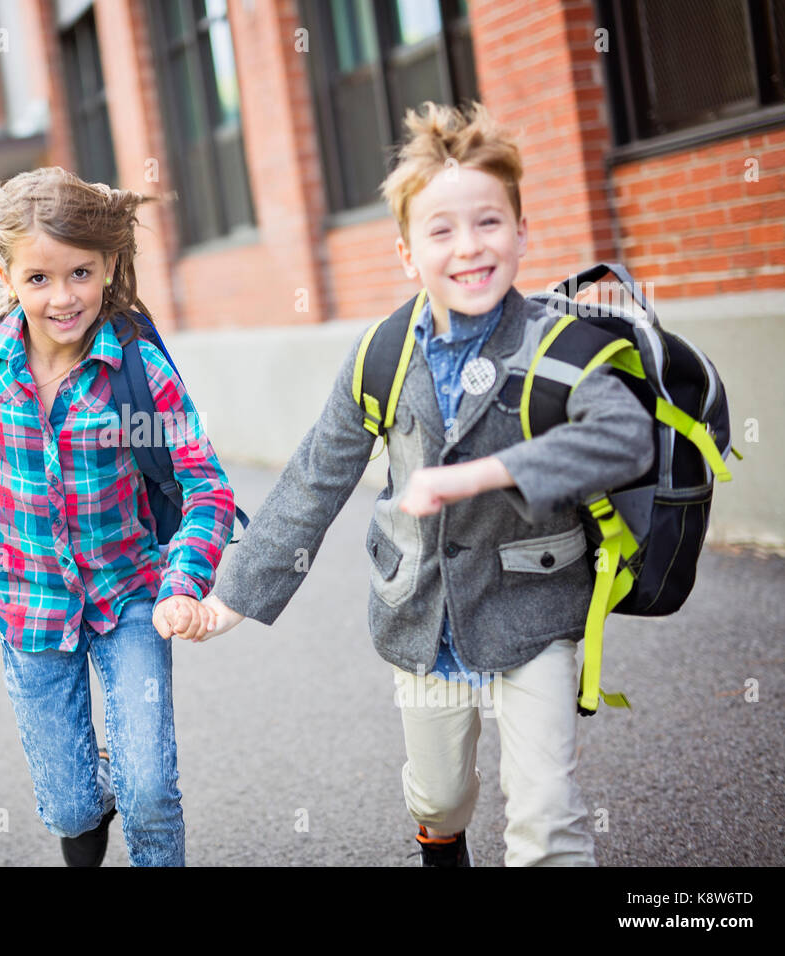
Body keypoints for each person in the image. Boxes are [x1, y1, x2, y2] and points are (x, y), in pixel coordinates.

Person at [201, 102, 654, 866]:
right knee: (441, 796)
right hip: (420, 613)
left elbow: (624, 437)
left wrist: (484, 473)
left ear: (520, 232)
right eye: (441, 231)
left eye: (489, 223)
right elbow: (318, 476)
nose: (469, 247)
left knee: (546, 816)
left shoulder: (559, 344)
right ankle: (440, 843)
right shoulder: (382, 354)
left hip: (532, 608)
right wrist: (231, 595)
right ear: (408, 254)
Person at [0, 167, 235, 867]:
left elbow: (205, 486)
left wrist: (184, 582)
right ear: (6, 273)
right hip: (29, 604)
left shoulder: (135, 370)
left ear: (108, 264)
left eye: (80, 272)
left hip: (134, 594)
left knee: (150, 791)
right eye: (39, 278)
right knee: (74, 805)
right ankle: (94, 788)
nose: (63, 296)